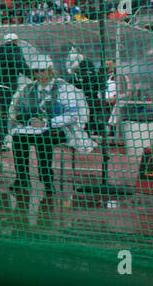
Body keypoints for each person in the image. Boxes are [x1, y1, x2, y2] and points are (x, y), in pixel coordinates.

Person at [6, 53, 91, 212]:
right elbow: (14, 109)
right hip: (31, 128)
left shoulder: (63, 88)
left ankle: (46, 179)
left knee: (43, 139)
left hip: (57, 129)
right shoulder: (27, 89)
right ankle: (22, 178)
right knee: (18, 138)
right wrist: (26, 119)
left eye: (42, 71)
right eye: (36, 71)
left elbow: (72, 114)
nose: (39, 74)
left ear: (50, 70)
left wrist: (48, 123)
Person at [0, 32, 28, 137]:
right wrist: (32, 75)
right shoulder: (14, 49)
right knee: (4, 112)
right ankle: (0, 137)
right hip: (5, 85)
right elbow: (20, 64)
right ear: (15, 41)